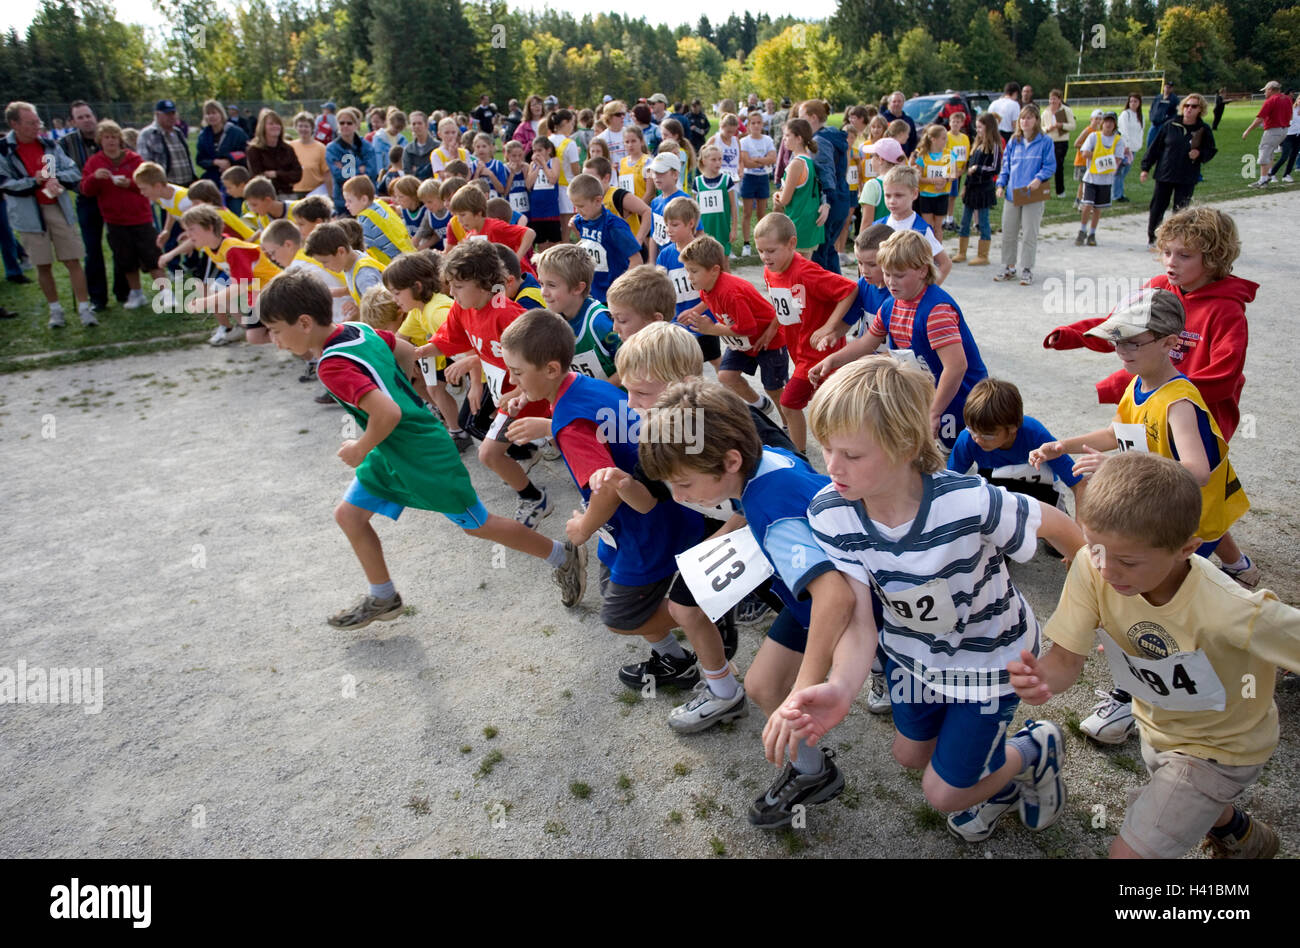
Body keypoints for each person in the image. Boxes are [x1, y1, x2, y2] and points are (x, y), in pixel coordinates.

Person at [775, 355, 1083, 843]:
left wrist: (1090, 603)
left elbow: (1063, 529)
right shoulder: (831, 512)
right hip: (913, 657)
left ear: (904, 445)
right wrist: (841, 686)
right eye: (827, 447)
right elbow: (859, 620)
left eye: (851, 454)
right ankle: (981, 765)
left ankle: (1034, 749)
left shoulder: (969, 501)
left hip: (991, 660)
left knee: (942, 795)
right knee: (910, 755)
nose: (831, 467)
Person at [258, 268, 587, 625]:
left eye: (276, 330)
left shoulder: (332, 366)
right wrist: (405, 396)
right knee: (348, 515)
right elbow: (404, 351)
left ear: (305, 323)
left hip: (421, 455)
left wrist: (360, 447)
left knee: (478, 524)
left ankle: (563, 556)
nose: (274, 341)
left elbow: (387, 413)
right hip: (393, 451)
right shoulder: (358, 330)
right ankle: (384, 597)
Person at [1008, 452, 1297, 859]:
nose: (1107, 571)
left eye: (1127, 561)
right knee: (1188, 802)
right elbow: (1066, 662)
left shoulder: (1232, 609)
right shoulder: (1093, 566)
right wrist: (1040, 677)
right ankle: (1243, 836)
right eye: (1095, 548)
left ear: (1187, 548)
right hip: (1157, 728)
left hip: (1222, 748)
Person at [635, 377, 859, 824]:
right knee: (761, 686)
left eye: (683, 483)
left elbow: (835, 597)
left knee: (916, 743)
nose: (678, 497)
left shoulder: (769, 504)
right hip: (814, 599)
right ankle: (813, 772)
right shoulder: (765, 462)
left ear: (730, 460)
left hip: (846, 608)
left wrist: (804, 689)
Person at [495, 308, 707, 689]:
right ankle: (674, 660)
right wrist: (551, 424)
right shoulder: (585, 385)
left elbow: (606, 486)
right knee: (613, 587)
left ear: (551, 369)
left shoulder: (570, 424)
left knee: (621, 615)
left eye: (517, 372)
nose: (512, 380)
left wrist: (582, 529)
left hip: (643, 526)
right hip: (646, 515)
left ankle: (709, 612)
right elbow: (606, 428)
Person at [1030, 288, 1251, 584]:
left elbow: (1198, 473)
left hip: (1189, 514)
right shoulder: (1137, 383)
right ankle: (1240, 567)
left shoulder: (1178, 403)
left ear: (1169, 343)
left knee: (1168, 581)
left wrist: (1119, 468)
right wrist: (1062, 446)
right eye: (1117, 340)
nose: (1121, 351)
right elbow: (1114, 434)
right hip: (1165, 497)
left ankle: (1227, 580)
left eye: (1133, 342)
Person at [412, 240, 555, 526]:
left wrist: (520, 390)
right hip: (509, 395)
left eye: (458, 286)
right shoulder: (462, 308)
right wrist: (416, 353)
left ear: (484, 283)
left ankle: (549, 491)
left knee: (568, 440)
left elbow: (543, 358)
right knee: (489, 453)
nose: (451, 292)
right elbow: (447, 340)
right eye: (450, 285)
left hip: (531, 394)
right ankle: (534, 496)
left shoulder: (507, 314)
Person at [809, 229, 987, 450]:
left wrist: (934, 411)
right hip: (929, 395)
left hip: (960, 399)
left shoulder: (936, 311)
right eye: (887, 274)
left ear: (923, 271)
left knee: (956, 459)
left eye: (899, 275)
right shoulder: (891, 305)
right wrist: (832, 361)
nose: (891, 282)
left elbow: (956, 367)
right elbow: (866, 343)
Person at [754, 212, 856, 453]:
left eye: (771, 250)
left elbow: (849, 290)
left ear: (791, 243)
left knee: (791, 403)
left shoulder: (805, 271)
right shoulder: (770, 271)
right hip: (799, 352)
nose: (765, 257)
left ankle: (801, 454)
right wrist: (772, 329)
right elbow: (783, 305)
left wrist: (829, 327)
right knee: (830, 408)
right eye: (760, 251)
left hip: (821, 354)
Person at [1, 101, 96, 327]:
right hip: (28, 213)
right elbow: (5, 183)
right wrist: (33, 181)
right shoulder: (4, 150)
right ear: (14, 124)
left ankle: (85, 309)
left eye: (38, 122)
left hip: (57, 207)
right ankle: (55, 311)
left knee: (72, 259)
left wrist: (57, 178)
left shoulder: (49, 144)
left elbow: (73, 171)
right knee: (42, 264)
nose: (37, 127)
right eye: (30, 123)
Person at [678, 234, 787, 414]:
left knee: (774, 389)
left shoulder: (731, 294)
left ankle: (787, 423)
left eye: (694, 271)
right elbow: (708, 299)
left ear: (714, 270)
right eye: (687, 271)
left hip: (769, 341)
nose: (689, 277)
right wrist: (695, 310)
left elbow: (748, 328)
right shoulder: (706, 286)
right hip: (742, 342)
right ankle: (760, 405)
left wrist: (712, 329)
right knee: (726, 376)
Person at [948, 378, 1084, 513]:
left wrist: (1080, 524)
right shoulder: (968, 438)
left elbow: (1078, 483)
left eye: (987, 435)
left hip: (1041, 490)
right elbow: (949, 482)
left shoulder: (1035, 435)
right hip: (996, 491)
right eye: (971, 430)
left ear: (1013, 427)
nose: (977, 439)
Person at [79, 119, 163, 311]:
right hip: (114, 219)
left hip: (140, 216)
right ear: (100, 140)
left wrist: (130, 184)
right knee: (126, 259)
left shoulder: (134, 159)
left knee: (152, 256)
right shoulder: (95, 162)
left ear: (120, 139)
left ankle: (165, 293)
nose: (111, 141)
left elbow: (149, 182)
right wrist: (94, 178)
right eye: (106, 137)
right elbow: (86, 190)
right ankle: (136, 293)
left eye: (114, 137)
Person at [178, 205, 280, 345]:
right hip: (258, 292)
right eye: (186, 230)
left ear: (209, 228)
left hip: (275, 289)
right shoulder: (210, 247)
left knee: (278, 331)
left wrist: (206, 301)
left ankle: (302, 346)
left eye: (191, 229)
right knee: (255, 336)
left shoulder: (232, 249)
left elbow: (241, 286)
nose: (188, 235)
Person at [60, 99, 126, 311]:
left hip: (114, 196)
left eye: (88, 115)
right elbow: (52, 166)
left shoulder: (109, 136)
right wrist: (76, 184)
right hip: (87, 200)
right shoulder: (66, 143)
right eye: (80, 117)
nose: (86, 120)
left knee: (119, 244)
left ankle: (123, 291)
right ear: (73, 121)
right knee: (92, 248)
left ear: (94, 117)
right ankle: (98, 298)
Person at [1140, 93, 1215, 249]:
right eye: (1186, 105)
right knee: (1157, 207)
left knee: (1181, 211)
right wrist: (1145, 168)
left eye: (1193, 106)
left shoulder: (1203, 129)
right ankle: (1153, 239)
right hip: (1165, 173)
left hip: (1187, 176)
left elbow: (1211, 150)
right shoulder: (1170, 125)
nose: (1189, 109)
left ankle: (1176, 240)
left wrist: (1199, 154)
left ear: (1200, 109)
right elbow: (1155, 147)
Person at [994, 104, 1055, 287]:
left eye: (1029, 118)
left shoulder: (1045, 141)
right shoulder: (1014, 141)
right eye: (1022, 118)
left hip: (1032, 194)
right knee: (1009, 232)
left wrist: (1039, 178)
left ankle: (1027, 269)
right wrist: (1000, 184)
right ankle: (1009, 267)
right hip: (1013, 193)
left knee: (1029, 233)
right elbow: (1006, 165)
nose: (1025, 121)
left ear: (1036, 120)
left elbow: (1049, 165)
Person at [872, 164, 952, 283]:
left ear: (914, 194)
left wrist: (928, 290)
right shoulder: (878, 226)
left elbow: (945, 263)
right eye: (887, 195)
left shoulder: (921, 230)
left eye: (898, 195)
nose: (892, 201)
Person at [568, 174, 640, 304]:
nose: (578, 211)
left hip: (614, 293)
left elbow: (636, 260)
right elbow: (590, 244)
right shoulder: (581, 220)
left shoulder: (614, 226)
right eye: (575, 206)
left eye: (581, 206)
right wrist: (575, 230)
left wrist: (620, 286)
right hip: (591, 291)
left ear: (598, 200)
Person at [802, 100, 849, 274]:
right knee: (829, 250)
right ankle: (838, 287)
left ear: (813, 118)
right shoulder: (834, 136)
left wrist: (826, 201)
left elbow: (826, 173)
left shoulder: (819, 141)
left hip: (830, 201)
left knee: (820, 253)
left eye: (802, 117)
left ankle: (825, 288)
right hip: (841, 197)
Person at [1075, 111, 1131, 247]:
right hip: (1091, 177)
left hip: (1106, 180)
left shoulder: (1118, 140)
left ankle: (1092, 233)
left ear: (1115, 124)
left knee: (1098, 208)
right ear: (1102, 123)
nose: (1108, 124)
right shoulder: (1094, 136)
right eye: (1106, 121)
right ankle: (1082, 230)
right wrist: (1102, 157)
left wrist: (1099, 158)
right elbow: (1085, 152)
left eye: (1111, 122)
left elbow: (1117, 159)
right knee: (1087, 205)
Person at [771, 118, 824, 258]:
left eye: (787, 135)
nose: (784, 139)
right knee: (805, 265)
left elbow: (785, 200)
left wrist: (776, 196)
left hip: (797, 221)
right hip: (810, 220)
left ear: (799, 138)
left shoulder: (797, 163)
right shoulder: (809, 160)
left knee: (794, 267)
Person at [955, 113, 1000, 267]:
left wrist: (978, 168)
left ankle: (983, 255)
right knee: (965, 220)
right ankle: (962, 252)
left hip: (984, 189)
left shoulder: (994, 146)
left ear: (989, 127)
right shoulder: (977, 144)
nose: (978, 130)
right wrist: (965, 186)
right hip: (971, 189)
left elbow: (995, 168)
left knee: (983, 221)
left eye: (980, 127)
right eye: (977, 127)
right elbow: (969, 169)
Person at [341, 174, 414, 265]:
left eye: (349, 201)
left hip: (393, 264)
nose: (346, 205)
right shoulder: (379, 205)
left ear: (364, 199)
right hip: (407, 253)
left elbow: (362, 249)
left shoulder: (364, 220)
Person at [738, 110, 777, 256]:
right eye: (753, 123)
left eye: (758, 123)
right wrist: (763, 160)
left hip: (763, 178)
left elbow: (773, 158)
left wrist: (756, 159)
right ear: (748, 125)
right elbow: (746, 162)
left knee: (762, 213)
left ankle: (762, 243)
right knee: (747, 212)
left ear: (762, 124)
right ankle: (746, 243)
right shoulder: (744, 141)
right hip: (749, 178)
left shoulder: (767, 140)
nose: (756, 125)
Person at [325, 108, 377, 215]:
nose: (345, 126)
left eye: (349, 123)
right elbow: (339, 175)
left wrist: (347, 168)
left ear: (356, 125)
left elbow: (372, 171)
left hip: (366, 200)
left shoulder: (366, 146)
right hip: (343, 202)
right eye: (342, 123)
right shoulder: (332, 148)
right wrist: (360, 169)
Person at [137, 100, 196, 188]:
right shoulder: (148, 134)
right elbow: (145, 165)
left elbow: (188, 159)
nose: (171, 117)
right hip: (165, 186)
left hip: (187, 185)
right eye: (167, 114)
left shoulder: (178, 132)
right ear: (157, 115)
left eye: (173, 113)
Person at [1245, 81, 1292, 188]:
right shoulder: (1287, 99)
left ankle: (1263, 180)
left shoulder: (1271, 100)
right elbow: (1290, 116)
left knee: (1264, 152)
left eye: (1265, 90)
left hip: (1273, 130)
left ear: (1270, 90)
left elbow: (1259, 118)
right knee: (1270, 152)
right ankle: (1268, 175)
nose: (1265, 93)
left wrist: (1248, 130)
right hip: (1284, 130)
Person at [246, 109, 302, 199]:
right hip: (265, 197)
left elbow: (297, 175)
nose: (275, 126)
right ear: (263, 127)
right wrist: (286, 176)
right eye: (271, 124)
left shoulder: (288, 149)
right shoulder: (254, 150)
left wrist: (276, 174)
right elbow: (258, 177)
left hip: (288, 194)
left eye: (277, 124)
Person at [1041, 89, 1076, 198]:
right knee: (1045, 166)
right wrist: (1047, 129)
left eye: (1055, 99)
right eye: (1051, 99)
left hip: (1061, 142)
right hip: (1048, 141)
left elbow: (1073, 126)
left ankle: (1060, 191)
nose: (1052, 101)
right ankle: (1044, 190)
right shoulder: (1045, 112)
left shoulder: (1066, 110)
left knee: (1058, 166)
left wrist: (1062, 125)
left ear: (1060, 100)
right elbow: (1040, 127)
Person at [289, 112, 330, 199]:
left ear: (312, 128)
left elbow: (327, 173)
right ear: (296, 128)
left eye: (306, 126)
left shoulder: (321, 148)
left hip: (315, 192)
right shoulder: (290, 147)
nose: (303, 129)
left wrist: (330, 194)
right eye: (300, 126)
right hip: (294, 191)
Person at [1114, 94, 1144, 203]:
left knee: (1124, 172)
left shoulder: (1140, 116)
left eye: (1135, 101)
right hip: (1125, 148)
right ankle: (1117, 195)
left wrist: (1138, 144)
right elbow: (1123, 130)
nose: (1133, 103)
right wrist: (1125, 145)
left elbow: (1140, 131)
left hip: (1133, 148)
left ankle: (1119, 192)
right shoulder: (1125, 114)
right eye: (1131, 101)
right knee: (1119, 171)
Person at [1265, 91, 1300, 183]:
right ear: (1297, 100)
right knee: (1284, 156)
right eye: (1299, 99)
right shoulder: (1291, 109)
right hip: (1288, 136)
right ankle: (1272, 174)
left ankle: (1287, 175)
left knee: (1293, 156)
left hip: (1298, 136)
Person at [880, 90, 918, 155]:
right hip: (885, 156)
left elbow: (913, 140)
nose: (897, 104)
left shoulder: (909, 120)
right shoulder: (882, 119)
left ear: (903, 103)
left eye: (899, 101)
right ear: (889, 103)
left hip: (904, 156)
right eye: (894, 101)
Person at [1147, 82, 1180, 151]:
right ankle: (1149, 153)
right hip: (1154, 123)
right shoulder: (1158, 97)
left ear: (1172, 89)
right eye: (1166, 87)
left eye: (1169, 87)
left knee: (1160, 141)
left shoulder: (1174, 99)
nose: (1167, 89)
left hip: (1164, 124)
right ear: (1164, 87)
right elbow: (1152, 108)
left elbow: (1176, 112)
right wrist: (1151, 117)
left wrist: (1168, 120)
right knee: (1150, 140)